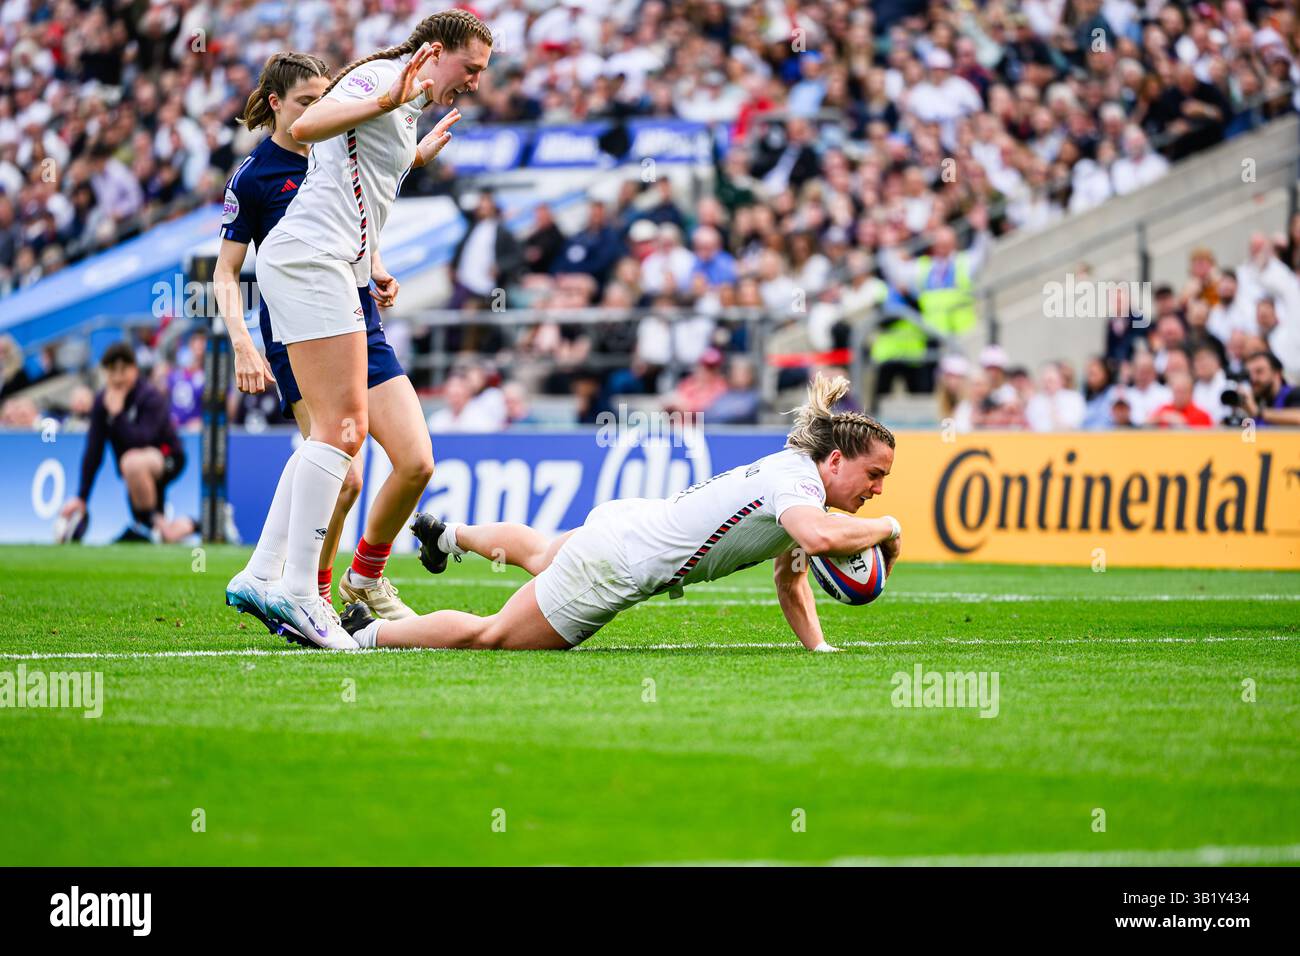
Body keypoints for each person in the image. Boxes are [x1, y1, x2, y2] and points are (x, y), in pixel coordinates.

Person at [230, 12, 493, 648]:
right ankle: (300, 593)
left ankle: (264, 573)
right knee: (344, 433)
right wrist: (385, 98)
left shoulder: (402, 101)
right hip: (311, 261)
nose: (477, 84)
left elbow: (355, 170)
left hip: (331, 265)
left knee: (342, 436)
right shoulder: (382, 79)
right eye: (471, 69)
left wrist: (412, 157)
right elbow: (307, 126)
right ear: (437, 51)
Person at [342, 375, 901, 652]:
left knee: (539, 551)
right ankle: (367, 634)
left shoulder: (799, 481)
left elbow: (791, 578)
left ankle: (450, 538)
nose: (877, 489)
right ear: (834, 459)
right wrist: (889, 530)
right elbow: (819, 539)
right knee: (491, 638)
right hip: (618, 563)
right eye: (874, 475)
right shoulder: (799, 484)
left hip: (626, 523)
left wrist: (820, 649)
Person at [59, 343, 193, 543]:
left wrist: (118, 414)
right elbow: (93, 451)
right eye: (112, 371)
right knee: (164, 532)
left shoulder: (150, 396)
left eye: (123, 370)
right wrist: (82, 498)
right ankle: (187, 526)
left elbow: (143, 440)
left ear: (135, 370)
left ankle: (150, 526)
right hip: (133, 468)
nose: (118, 378)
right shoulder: (101, 402)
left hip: (168, 457)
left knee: (132, 462)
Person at [1237, 350, 1300, 427]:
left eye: (1259, 371)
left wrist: (1257, 412)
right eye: (1248, 374)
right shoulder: (1257, 400)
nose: (1253, 378)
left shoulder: (1294, 394)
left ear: (1277, 373)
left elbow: (1298, 417)